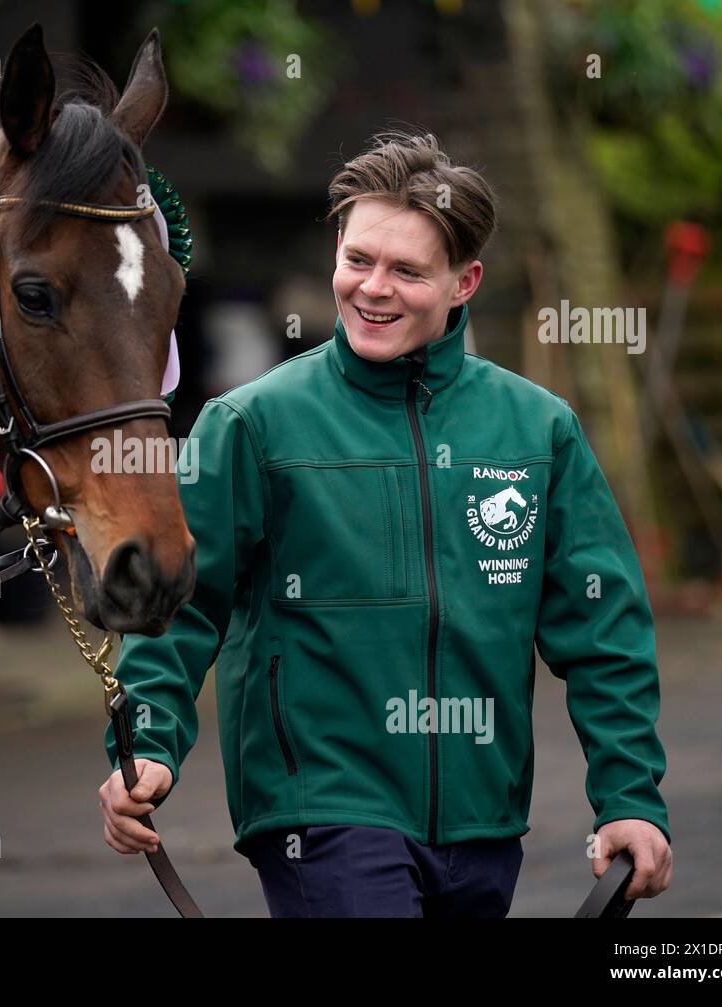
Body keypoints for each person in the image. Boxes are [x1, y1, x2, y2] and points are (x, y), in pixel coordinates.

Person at [98, 131, 673, 917]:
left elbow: (604, 629)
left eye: (407, 270)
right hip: (321, 811)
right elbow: (180, 603)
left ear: (464, 281)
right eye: (358, 258)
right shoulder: (251, 425)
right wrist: (151, 741)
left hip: (483, 819)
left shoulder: (539, 430)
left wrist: (631, 797)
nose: (373, 288)